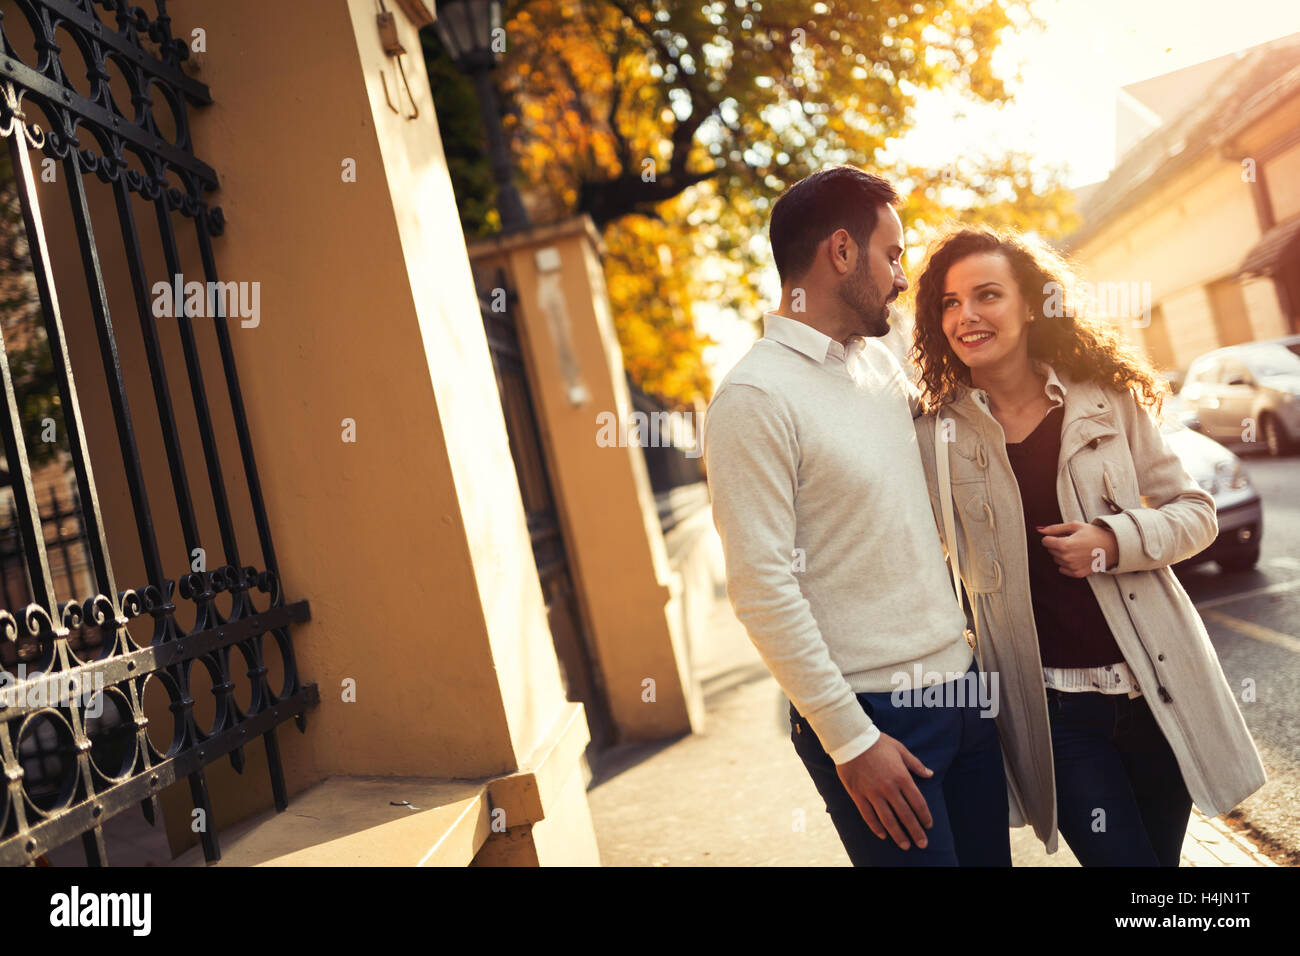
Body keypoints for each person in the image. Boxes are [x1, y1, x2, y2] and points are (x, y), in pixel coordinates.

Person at [909, 226, 1267, 866]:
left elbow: (1196, 513)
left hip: (1157, 691)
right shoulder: (933, 435)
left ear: (1030, 304)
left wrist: (1113, 538)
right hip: (1055, 714)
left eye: (987, 295)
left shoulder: (1105, 397)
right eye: (949, 303)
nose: (966, 316)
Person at [702, 167, 1011, 866]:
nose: (903, 277)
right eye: (893, 255)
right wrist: (850, 739)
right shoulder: (753, 400)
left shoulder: (878, 363)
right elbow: (761, 589)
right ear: (841, 253)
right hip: (877, 719)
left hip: (963, 685)